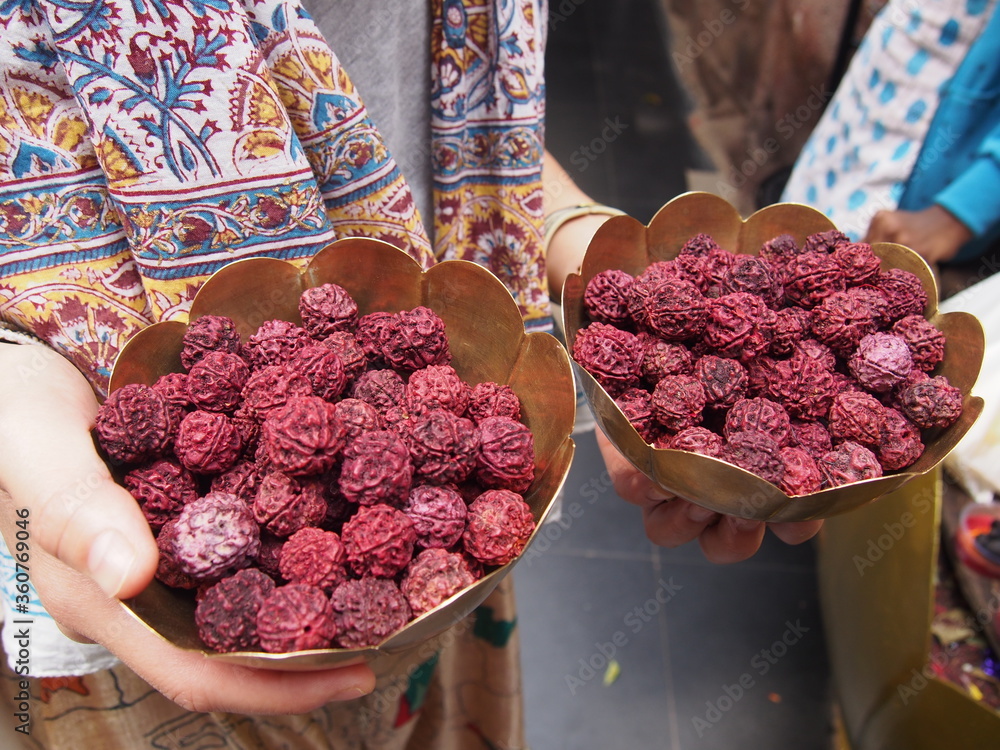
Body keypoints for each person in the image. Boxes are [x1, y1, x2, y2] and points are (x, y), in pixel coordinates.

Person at [0, 2, 820, 748]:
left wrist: (580, 244)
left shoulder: (437, 466)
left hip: (443, 547)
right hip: (83, 554)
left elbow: (458, 96)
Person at [780, 0, 1000, 267]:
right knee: (791, 245)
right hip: (878, 89)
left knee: (854, 271)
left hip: (928, 158)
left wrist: (958, 213)